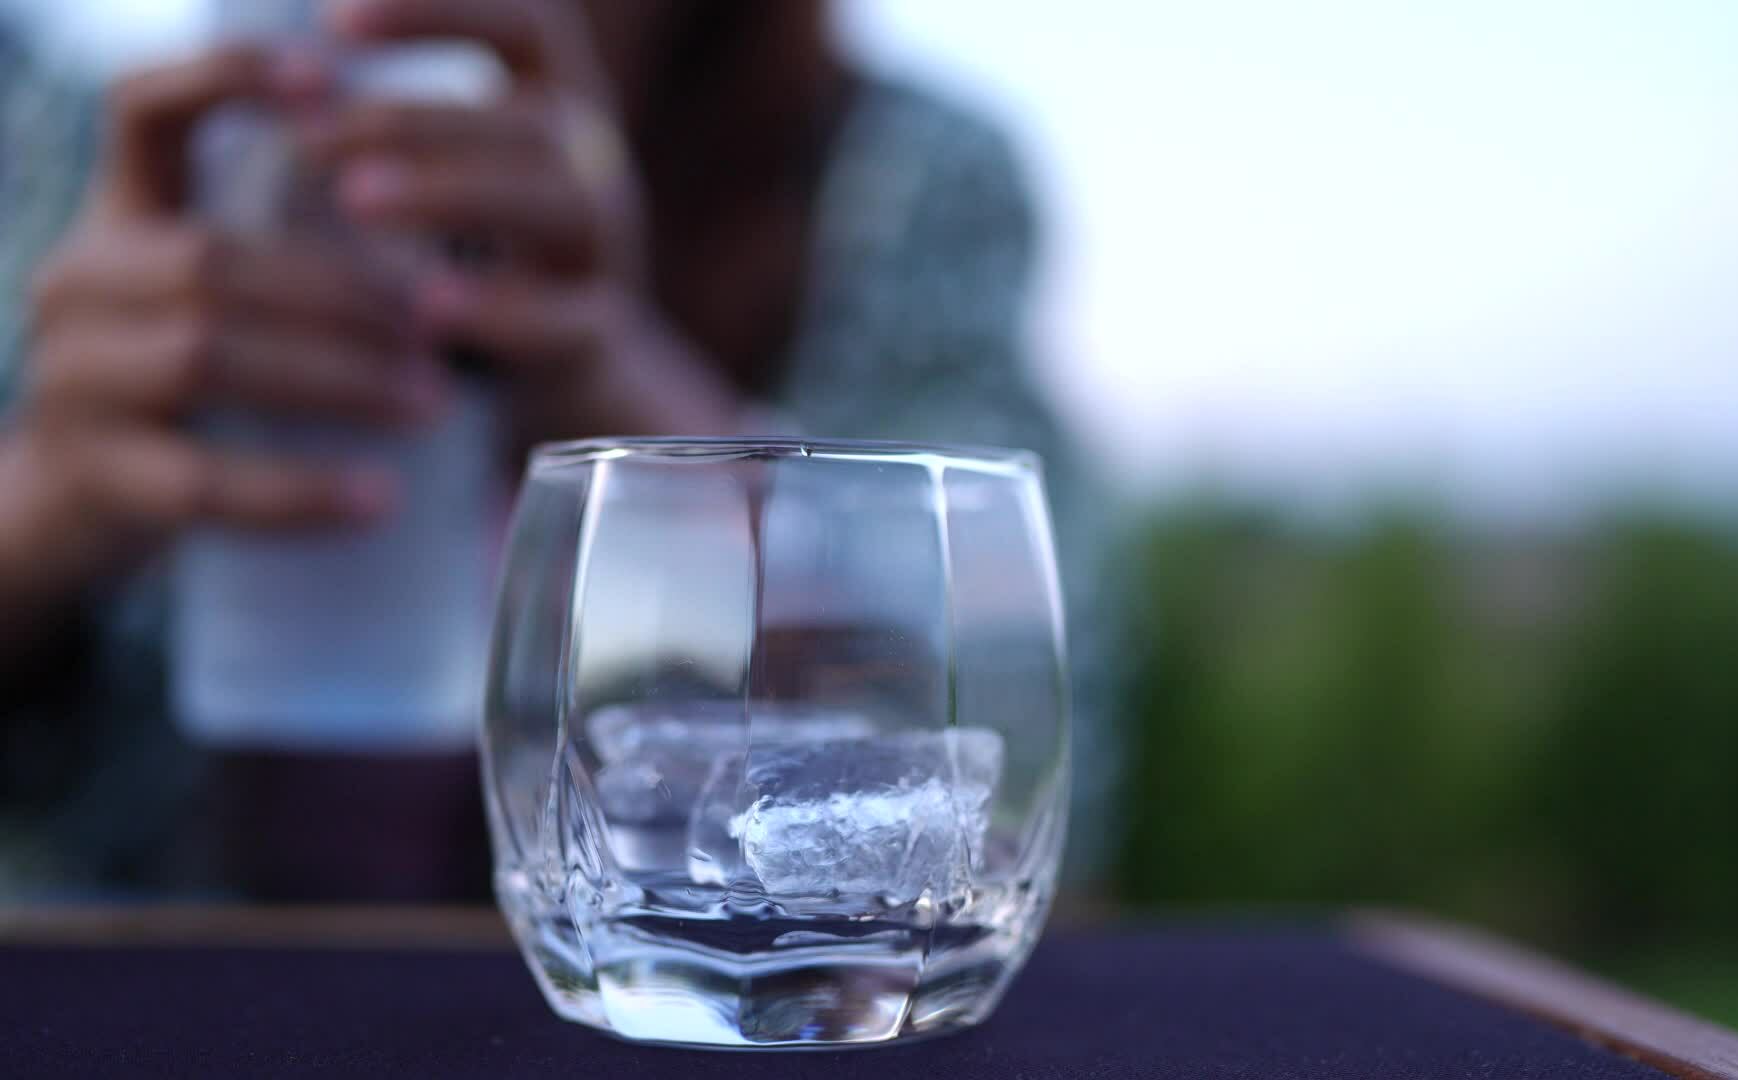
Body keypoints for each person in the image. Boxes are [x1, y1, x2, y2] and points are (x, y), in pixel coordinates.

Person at [0, 0, 1116, 897]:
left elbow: (1034, 773)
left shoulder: (892, 177)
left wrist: (648, 431)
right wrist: (48, 505)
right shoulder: (106, 145)